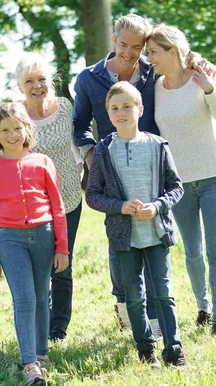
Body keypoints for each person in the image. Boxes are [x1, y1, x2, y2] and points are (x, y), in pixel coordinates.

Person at [85, 81, 186, 368]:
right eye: (114, 108)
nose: (121, 112)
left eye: (127, 106)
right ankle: (146, 349)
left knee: (164, 293)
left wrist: (157, 206)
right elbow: (92, 195)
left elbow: (175, 187)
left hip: (156, 232)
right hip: (124, 237)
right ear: (106, 113)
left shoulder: (158, 145)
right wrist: (119, 206)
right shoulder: (104, 151)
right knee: (133, 295)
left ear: (140, 110)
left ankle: (174, 350)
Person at [146, 24, 216, 338]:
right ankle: (203, 307)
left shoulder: (202, 77)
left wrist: (210, 88)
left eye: (153, 52)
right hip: (179, 184)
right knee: (193, 252)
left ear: (172, 51)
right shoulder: (154, 87)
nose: (149, 58)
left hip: (212, 175)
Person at [72, 13, 159, 333]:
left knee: (153, 236)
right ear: (114, 40)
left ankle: (154, 312)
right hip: (110, 170)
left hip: (150, 167)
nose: (129, 52)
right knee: (119, 238)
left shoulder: (152, 73)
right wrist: (92, 155)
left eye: (137, 47)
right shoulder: (88, 78)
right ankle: (124, 308)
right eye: (124, 44)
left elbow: (179, 65)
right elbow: (79, 124)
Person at [0, 103, 69, 385]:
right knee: (25, 299)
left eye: (17, 127)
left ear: (27, 129)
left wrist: (62, 246)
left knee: (43, 296)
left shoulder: (43, 162)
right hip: (9, 239)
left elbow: (57, 207)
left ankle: (42, 353)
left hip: (43, 234)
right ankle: (29, 363)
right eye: (5, 129)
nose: (12, 134)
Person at [15, 53, 83, 342]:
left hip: (68, 198)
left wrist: (79, 167)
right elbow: (1, 156)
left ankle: (58, 330)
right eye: (29, 81)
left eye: (41, 79)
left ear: (50, 82)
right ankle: (36, 325)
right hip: (34, 206)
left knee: (62, 265)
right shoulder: (13, 115)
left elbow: (78, 142)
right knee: (38, 268)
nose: (37, 86)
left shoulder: (66, 107)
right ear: (20, 86)